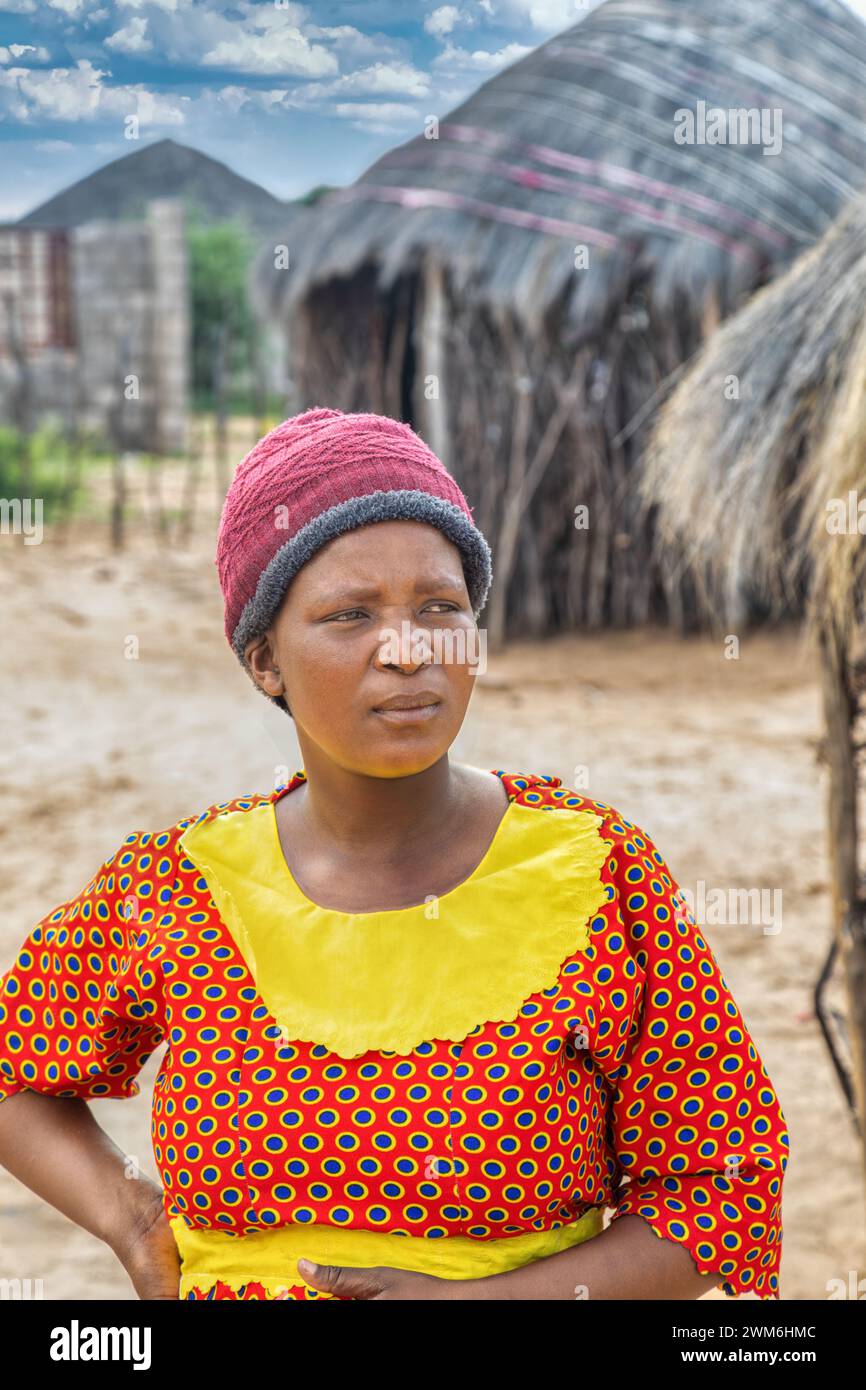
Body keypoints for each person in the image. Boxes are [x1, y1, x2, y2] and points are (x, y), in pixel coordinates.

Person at [0, 407, 788, 1300]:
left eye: (441, 608)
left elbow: (721, 1189)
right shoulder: (180, 888)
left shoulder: (595, 873)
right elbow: (15, 1073)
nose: (409, 650)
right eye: (350, 615)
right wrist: (134, 1221)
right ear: (264, 660)